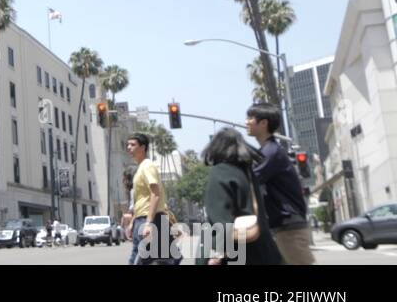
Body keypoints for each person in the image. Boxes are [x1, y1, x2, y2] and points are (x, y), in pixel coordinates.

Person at [199, 128, 282, 265]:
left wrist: (216, 254)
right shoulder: (248, 173)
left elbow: (220, 219)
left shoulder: (220, 172)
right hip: (263, 250)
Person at [246, 103, 316, 265]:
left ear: (263, 123)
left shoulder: (270, 153)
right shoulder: (268, 151)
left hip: (289, 226)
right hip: (283, 225)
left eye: (250, 118)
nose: (246, 122)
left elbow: (250, 180)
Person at [127, 134, 180, 265]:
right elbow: (141, 200)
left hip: (151, 219)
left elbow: (155, 193)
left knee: (143, 260)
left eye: (132, 145)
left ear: (143, 147)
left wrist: (149, 223)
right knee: (157, 259)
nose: (129, 147)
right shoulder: (141, 168)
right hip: (143, 218)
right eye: (127, 145)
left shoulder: (147, 166)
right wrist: (132, 222)